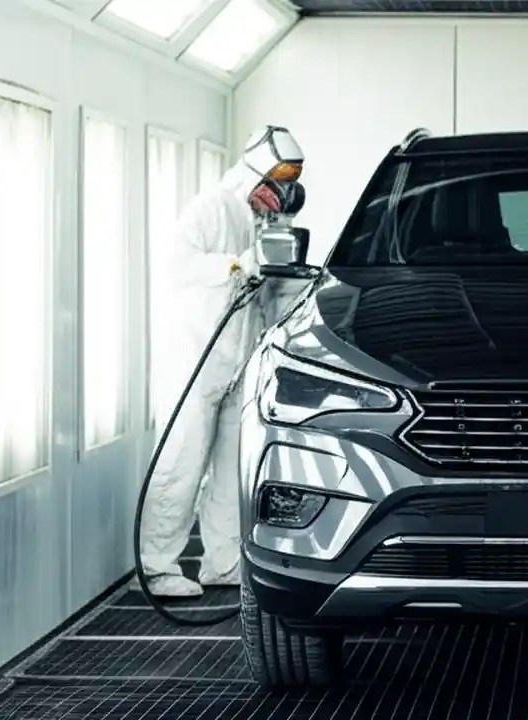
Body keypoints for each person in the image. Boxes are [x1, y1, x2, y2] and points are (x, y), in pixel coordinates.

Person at [140, 126, 305, 598]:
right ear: (255, 174)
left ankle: (223, 562)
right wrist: (236, 265)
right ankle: (157, 568)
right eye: (276, 184)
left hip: (236, 366)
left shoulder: (261, 224)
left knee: (233, 470)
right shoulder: (211, 208)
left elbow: (265, 297)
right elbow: (177, 263)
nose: (280, 197)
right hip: (194, 361)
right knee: (179, 463)